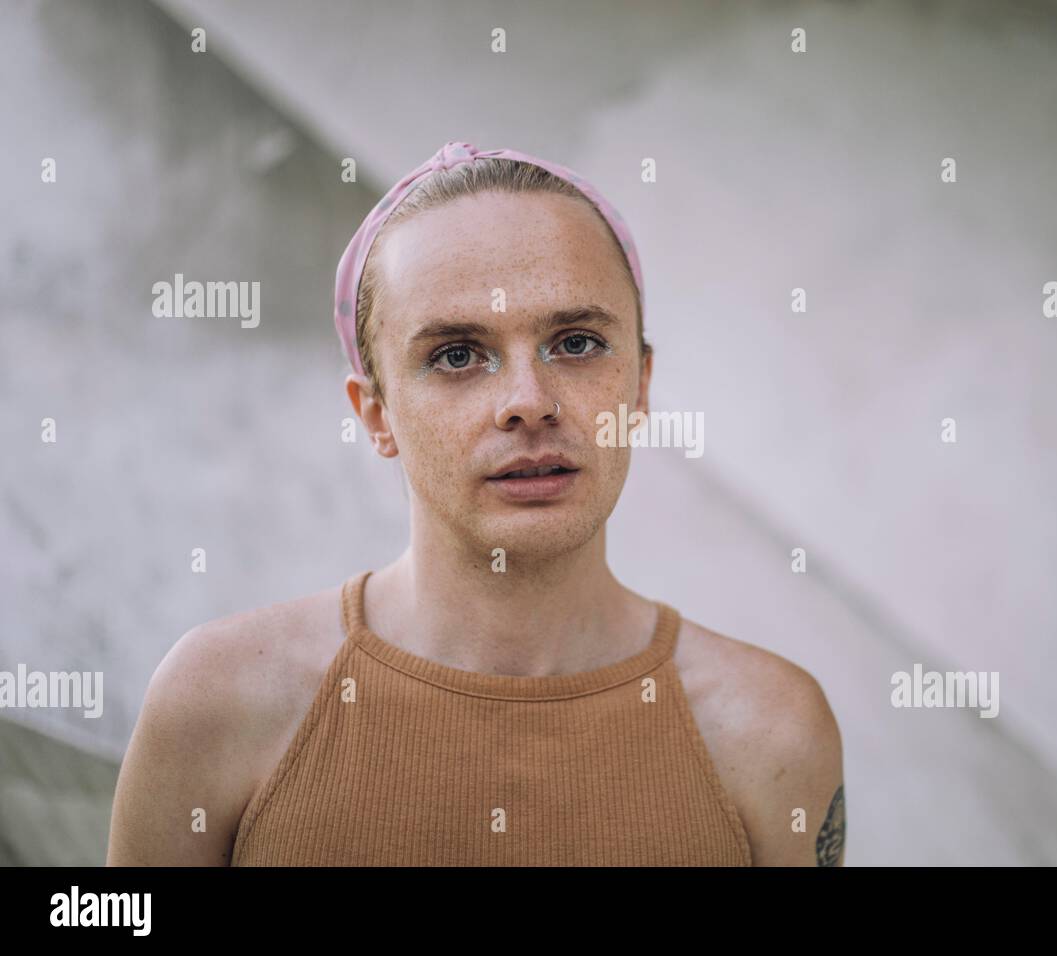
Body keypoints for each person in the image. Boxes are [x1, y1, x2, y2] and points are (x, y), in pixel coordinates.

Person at [107, 142, 845, 866]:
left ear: (641, 386)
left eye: (578, 343)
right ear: (377, 415)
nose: (529, 402)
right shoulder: (219, 701)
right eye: (457, 354)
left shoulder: (768, 731)